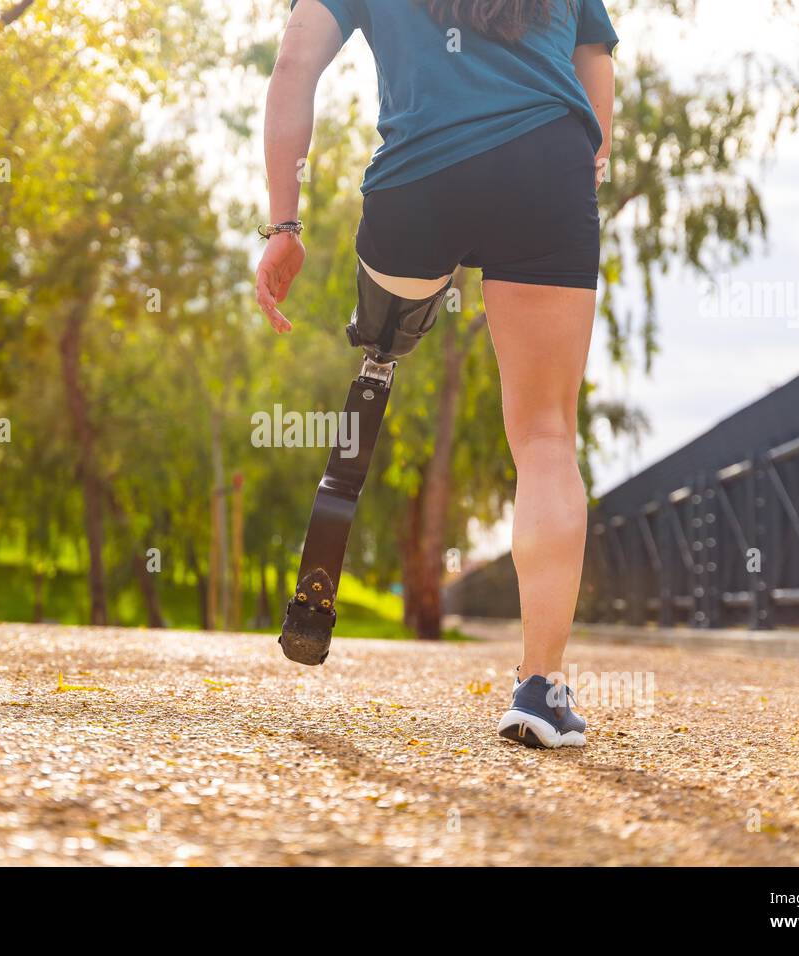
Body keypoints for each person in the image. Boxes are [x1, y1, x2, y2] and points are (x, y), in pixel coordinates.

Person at [255, 0, 617, 749]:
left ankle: (385, 344)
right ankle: (540, 692)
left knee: (389, 326)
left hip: (416, 185)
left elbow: (295, 61)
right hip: (544, 165)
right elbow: (595, 70)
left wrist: (284, 227)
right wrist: (583, 171)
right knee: (547, 437)